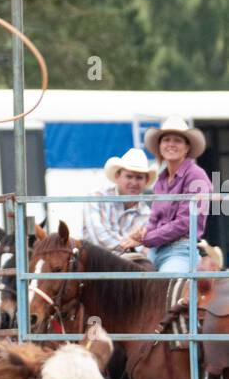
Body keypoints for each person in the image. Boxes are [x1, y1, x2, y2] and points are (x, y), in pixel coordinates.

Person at [142, 117, 211, 274]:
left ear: (187, 148)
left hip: (182, 250)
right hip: (156, 250)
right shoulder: (161, 178)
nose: (171, 144)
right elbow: (154, 218)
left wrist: (146, 239)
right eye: (166, 139)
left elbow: (185, 222)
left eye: (177, 140)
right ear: (160, 146)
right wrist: (142, 234)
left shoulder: (196, 175)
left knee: (165, 286)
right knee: (129, 284)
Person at [82, 146, 155, 252]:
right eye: (129, 176)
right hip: (95, 265)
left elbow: (143, 248)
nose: (134, 183)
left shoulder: (147, 213)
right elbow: (99, 239)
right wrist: (131, 245)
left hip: (128, 264)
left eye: (139, 177)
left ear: (146, 180)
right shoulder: (97, 197)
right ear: (117, 176)